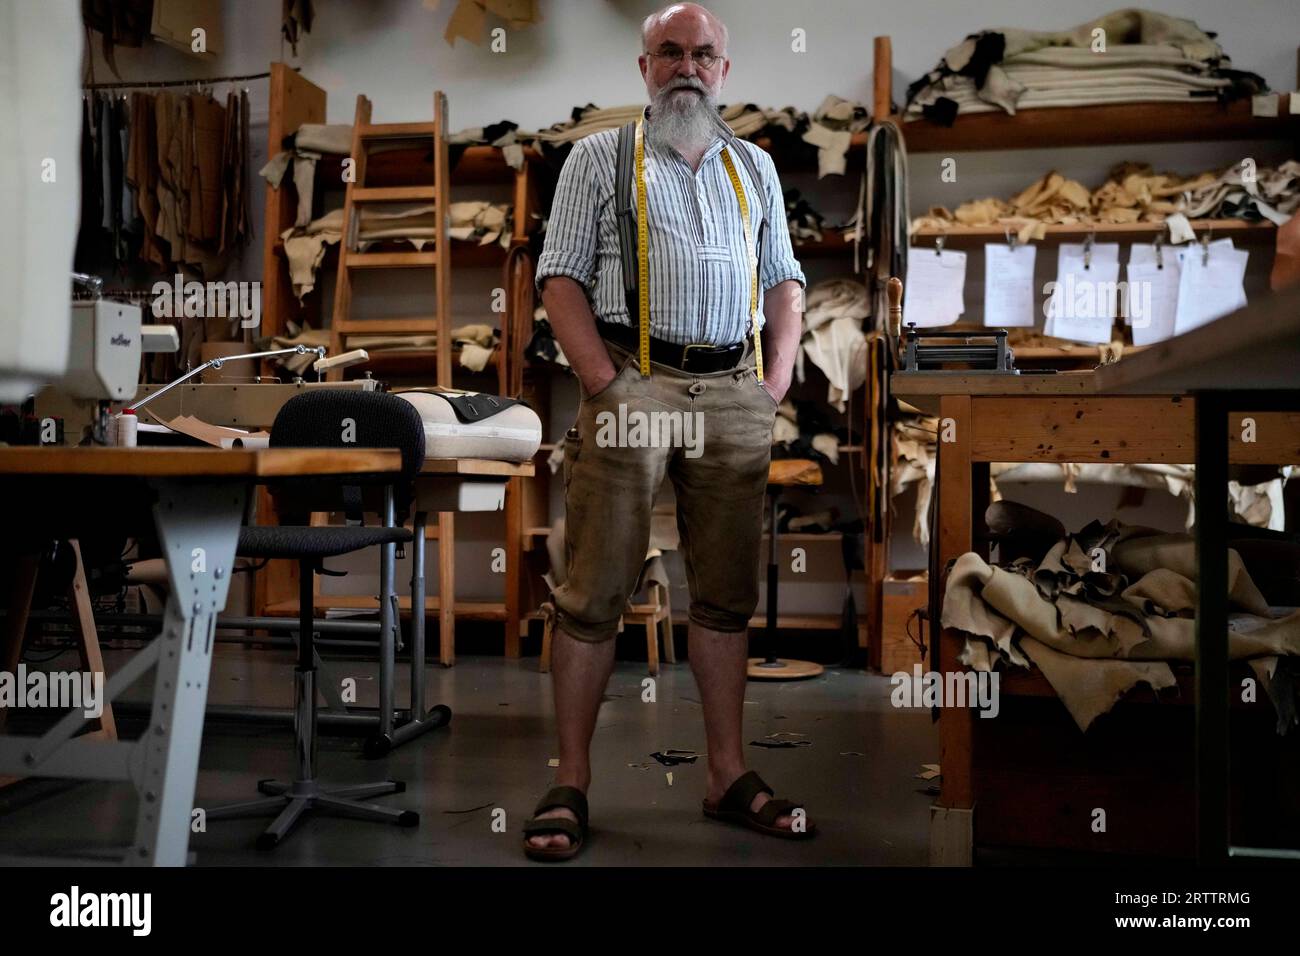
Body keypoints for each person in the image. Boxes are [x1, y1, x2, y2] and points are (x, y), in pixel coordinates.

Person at [525, 2, 814, 861]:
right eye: (671, 52)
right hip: (634, 382)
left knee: (725, 595)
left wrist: (771, 386)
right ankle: (569, 781)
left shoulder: (754, 167)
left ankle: (726, 776)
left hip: (734, 388)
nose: (688, 66)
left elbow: (785, 285)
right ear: (645, 67)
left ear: (724, 71)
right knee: (594, 595)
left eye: (704, 55)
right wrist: (606, 384)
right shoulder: (597, 158)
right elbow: (559, 280)